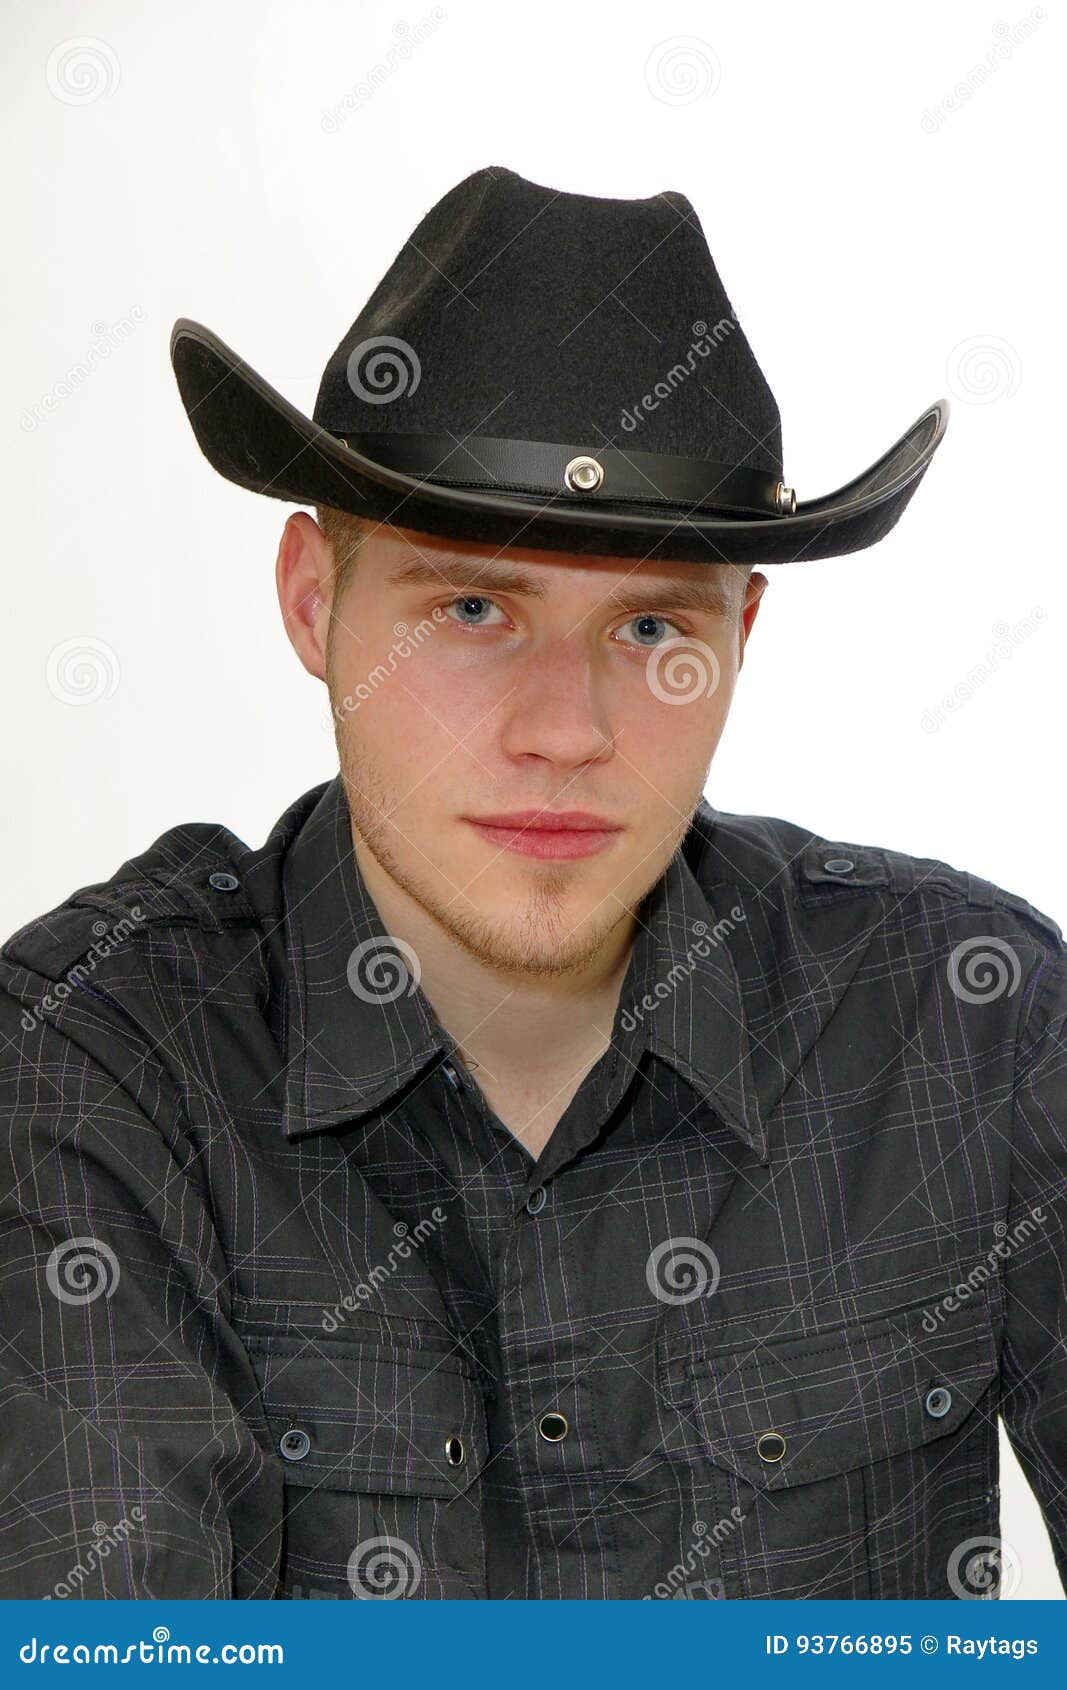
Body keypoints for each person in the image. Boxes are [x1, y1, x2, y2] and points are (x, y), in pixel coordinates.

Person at [1, 167, 1062, 1601]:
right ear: (314, 600)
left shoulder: (974, 1020)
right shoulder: (99, 1062)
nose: (565, 728)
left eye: (646, 624)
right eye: (474, 606)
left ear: (744, 630)